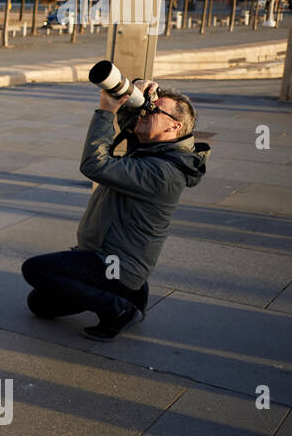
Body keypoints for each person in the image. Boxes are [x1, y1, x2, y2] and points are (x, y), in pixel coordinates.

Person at [22, 79, 209, 341]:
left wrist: (105, 111)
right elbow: (133, 125)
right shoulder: (157, 151)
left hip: (115, 264)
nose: (146, 114)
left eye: (154, 111)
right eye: (147, 109)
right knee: (39, 304)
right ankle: (132, 295)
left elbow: (94, 165)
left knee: (34, 270)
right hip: (110, 258)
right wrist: (135, 93)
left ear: (174, 126)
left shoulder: (162, 171)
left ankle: (118, 308)